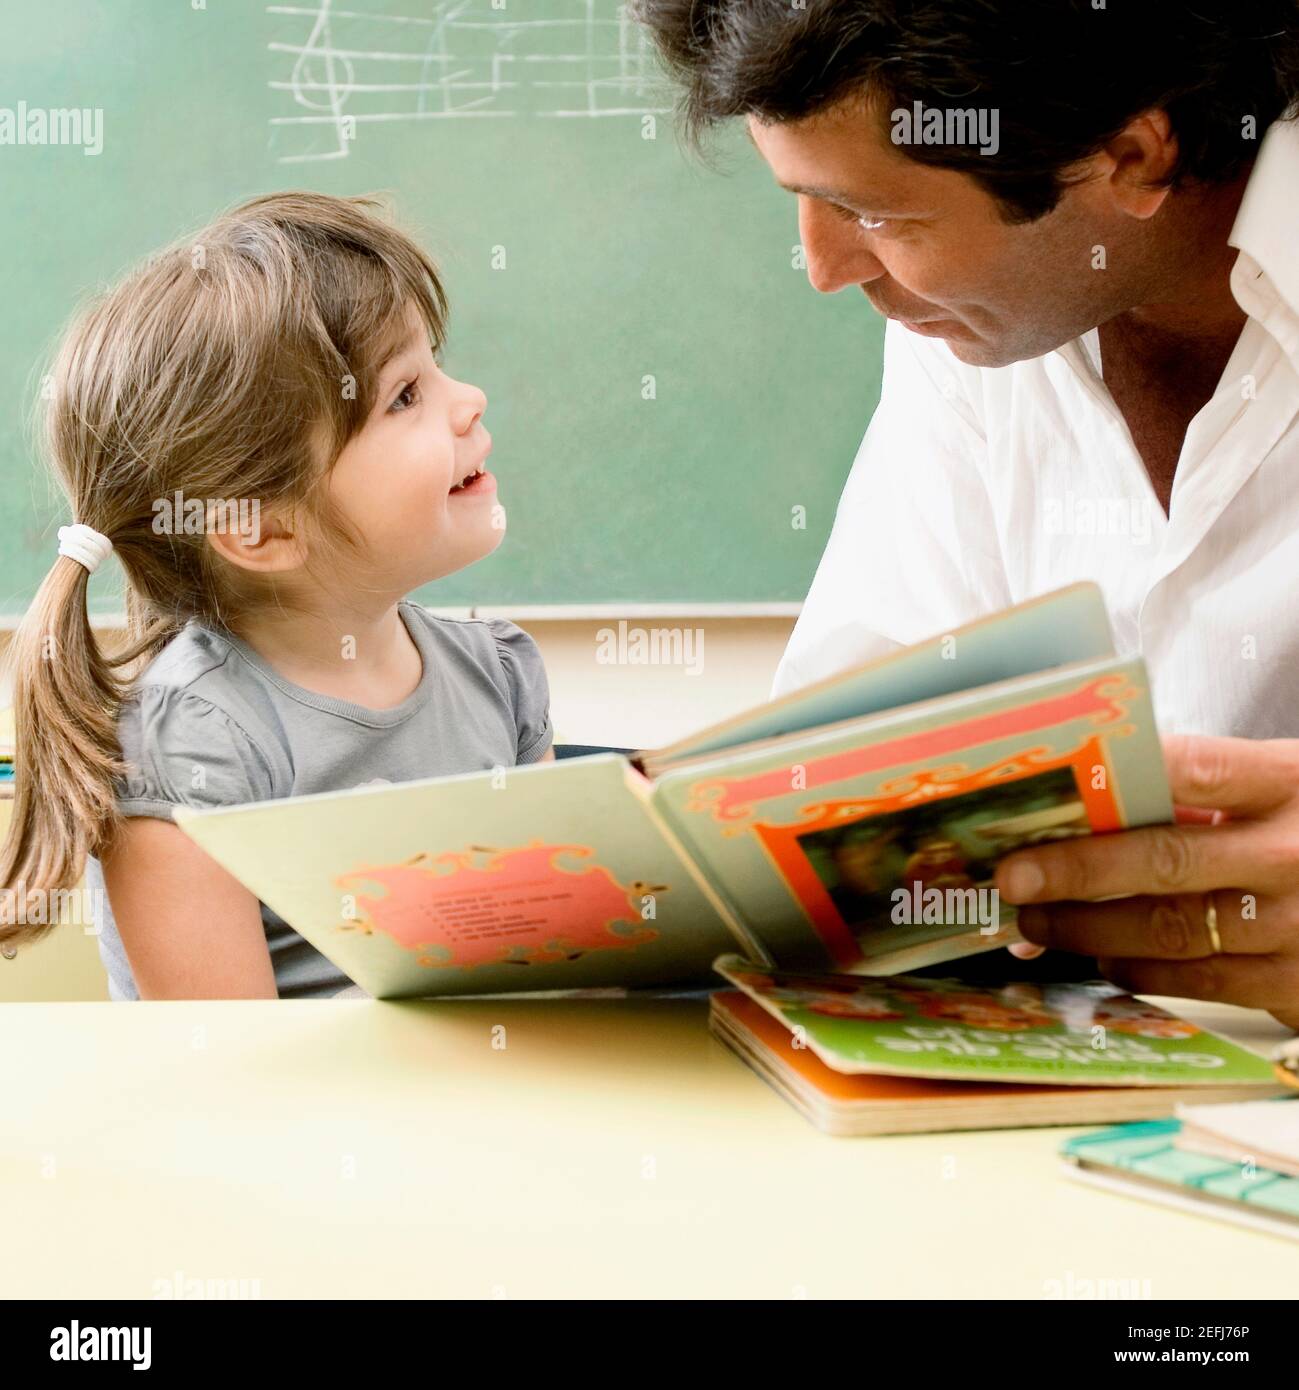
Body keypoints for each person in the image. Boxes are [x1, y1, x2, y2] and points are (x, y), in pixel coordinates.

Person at [633, 0, 1299, 1027]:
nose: (823, 269)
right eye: (807, 200)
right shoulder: (977, 334)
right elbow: (857, 750)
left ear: (1132, 156)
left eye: (882, 217)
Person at [0, 192, 553, 999]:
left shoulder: (499, 674)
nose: (467, 400)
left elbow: (558, 957)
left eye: (437, 362)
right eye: (405, 394)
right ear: (260, 530)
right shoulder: (193, 742)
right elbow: (229, 1075)